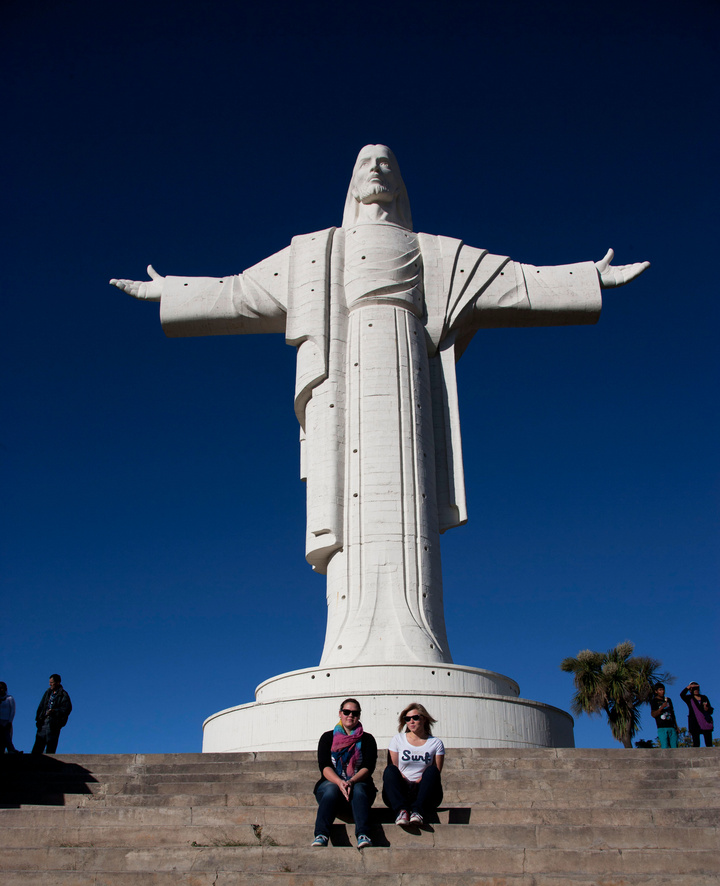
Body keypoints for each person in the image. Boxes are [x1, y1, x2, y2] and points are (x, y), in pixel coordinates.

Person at [111, 146, 649, 673]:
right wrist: (173, 292)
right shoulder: (315, 252)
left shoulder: (436, 252)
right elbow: (240, 292)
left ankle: (421, 642)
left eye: (386, 162)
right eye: (366, 162)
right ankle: (347, 647)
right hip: (347, 373)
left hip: (408, 363)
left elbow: (516, 282)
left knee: (408, 501)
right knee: (353, 511)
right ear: (352, 181)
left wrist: (585, 276)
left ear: (400, 182)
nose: (376, 169)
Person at [312, 698, 377, 849]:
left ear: (359, 715)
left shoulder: (367, 739)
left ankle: (363, 834)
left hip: (359, 787)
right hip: (332, 788)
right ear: (340, 714)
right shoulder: (328, 738)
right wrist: (339, 782)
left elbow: (368, 767)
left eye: (354, 713)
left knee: (359, 789)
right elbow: (325, 766)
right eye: (346, 712)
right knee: (331, 789)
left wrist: (351, 781)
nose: (350, 715)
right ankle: (321, 834)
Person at [383, 702, 445, 826]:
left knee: (432, 771)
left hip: (424, 790)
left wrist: (418, 781)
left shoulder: (436, 743)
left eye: (415, 718)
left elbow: (437, 771)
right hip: (402, 789)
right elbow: (394, 767)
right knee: (389, 770)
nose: (411, 721)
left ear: (424, 719)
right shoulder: (397, 739)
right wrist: (406, 781)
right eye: (407, 719)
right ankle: (402, 811)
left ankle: (417, 811)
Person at [32, 674, 72, 755]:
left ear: (57, 682)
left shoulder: (63, 694)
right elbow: (41, 706)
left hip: (53, 723)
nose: (50, 684)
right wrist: (38, 719)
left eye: (52, 682)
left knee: (51, 747)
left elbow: (67, 708)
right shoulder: (47, 693)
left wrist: (54, 711)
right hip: (43, 721)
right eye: (49, 682)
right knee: (38, 746)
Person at [680, 682, 714, 747]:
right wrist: (688, 687)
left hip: (705, 721)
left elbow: (710, 709)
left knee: (709, 743)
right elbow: (682, 695)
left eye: (697, 688)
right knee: (696, 743)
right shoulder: (689, 698)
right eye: (694, 689)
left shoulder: (704, 697)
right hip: (694, 722)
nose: (696, 690)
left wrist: (707, 709)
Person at [649, 683, 679, 748]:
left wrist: (676, 726)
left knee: (675, 746)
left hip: (671, 726)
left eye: (663, 690)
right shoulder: (654, 701)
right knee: (665, 746)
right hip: (662, 727)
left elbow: (673, 714)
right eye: (660, 690)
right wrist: (661, 708)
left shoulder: (668, 700)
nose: (662, 691)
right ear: (656, 691)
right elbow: (653, 714)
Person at [0, 682, 19, 754]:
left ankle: (11, 749)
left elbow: (12, 711)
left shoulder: (10, 698)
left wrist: (9, 721)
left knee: (7, 736)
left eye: (2, 688)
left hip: (7, 721)